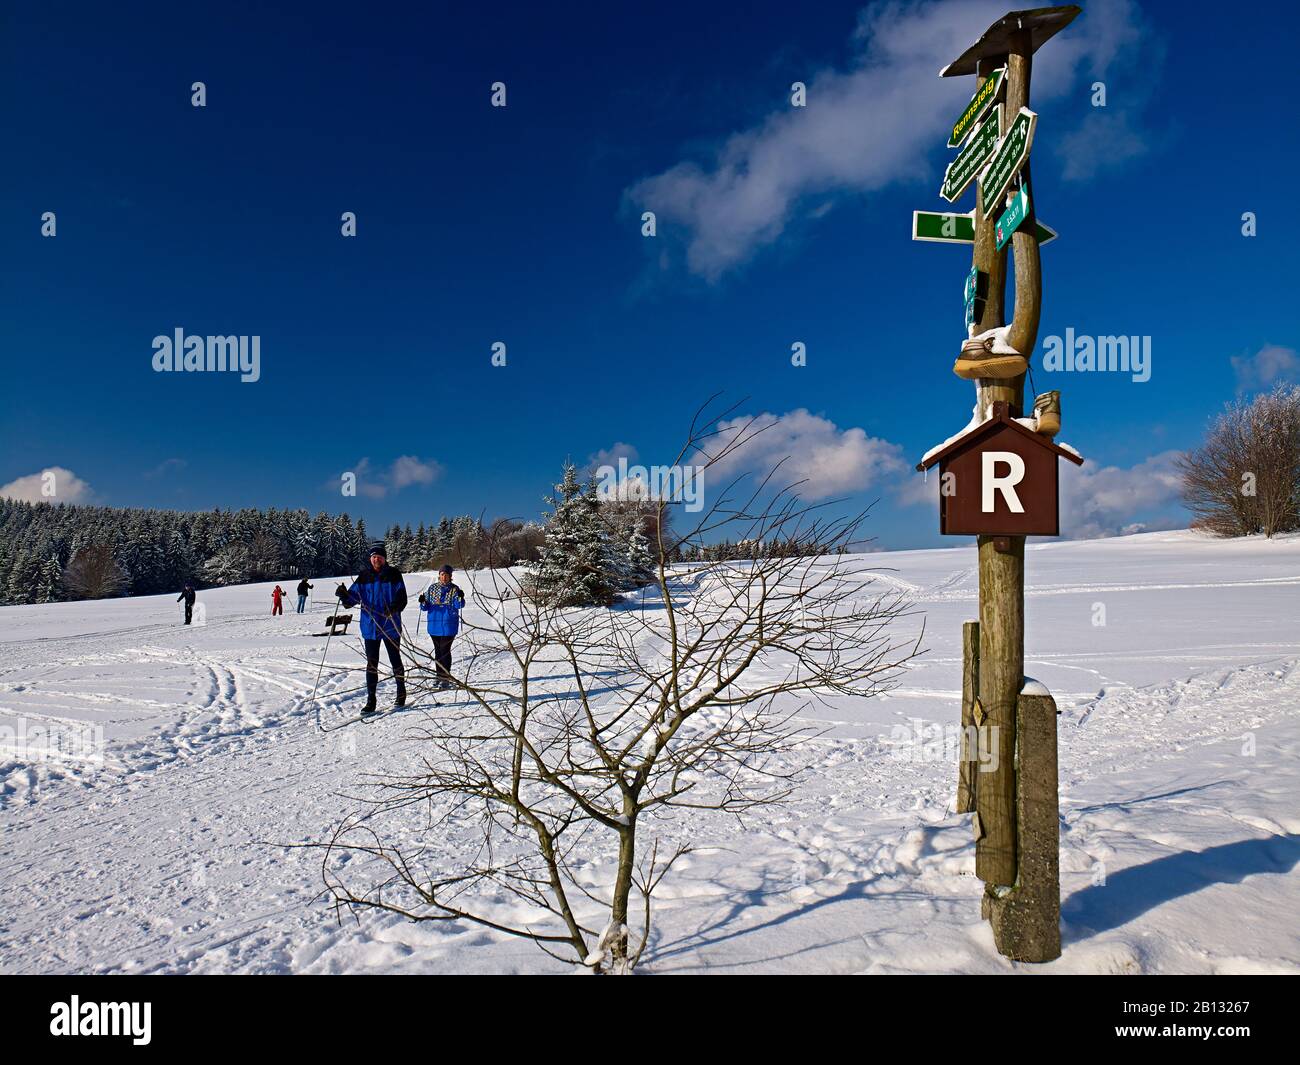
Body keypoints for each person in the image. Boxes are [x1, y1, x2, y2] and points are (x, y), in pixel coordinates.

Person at [336, 542, 407, 714]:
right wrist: (344, 595)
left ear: (384, 559)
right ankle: (371, 700)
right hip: (370, 627)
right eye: (374, 557)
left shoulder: (394, 574)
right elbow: (351, 600)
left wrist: (394, 608)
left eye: (379, 557)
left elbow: (402, 597)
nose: (376, 559)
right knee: (371, 664)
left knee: (395, 659)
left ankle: (401, 693)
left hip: (390, 625)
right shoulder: (364, 576)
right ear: (370, 559)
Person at [419, 564, 466, 690]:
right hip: (434, 624)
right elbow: (425, 607)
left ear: (450, 576)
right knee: (438, 651)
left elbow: (459, 605)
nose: (444, 577)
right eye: (442, 574)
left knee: (445, 650)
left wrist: (461, 597)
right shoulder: (432, 588)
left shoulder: (454, 589)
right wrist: (422, 601)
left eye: (446, 575)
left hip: (449, 624)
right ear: (439, 575)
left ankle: (446, 677)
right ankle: (439, 676)